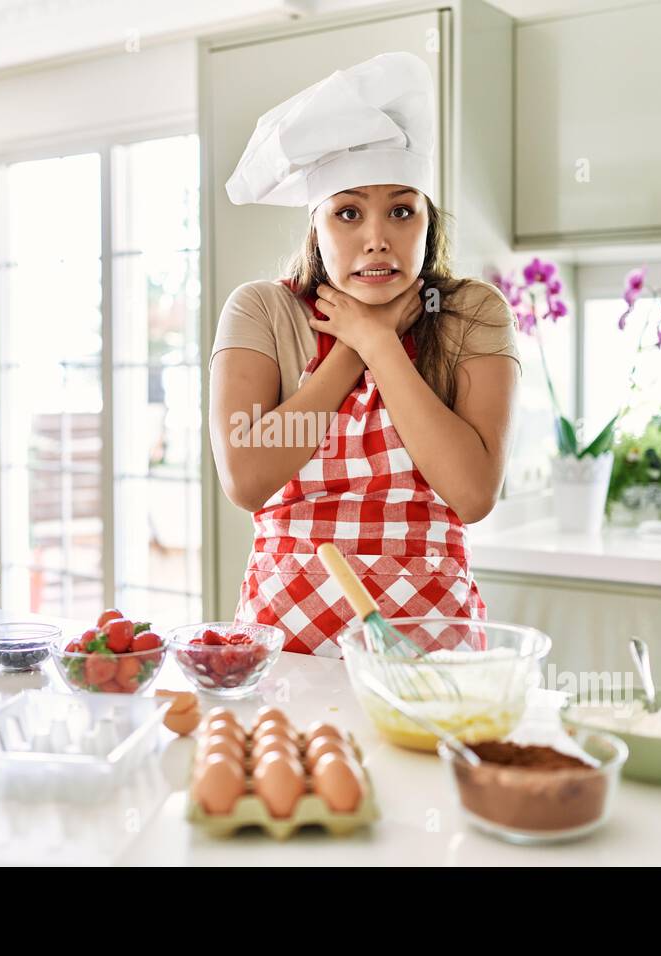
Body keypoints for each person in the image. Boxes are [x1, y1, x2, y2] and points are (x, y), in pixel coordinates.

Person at [210, 52, 521, 657]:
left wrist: (382, 343)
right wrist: (354, 348)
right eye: (348, 213)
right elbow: (248, 480)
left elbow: (472, 494)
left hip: (434, 653)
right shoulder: (261, 312)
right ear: (316, 226)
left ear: (428, 221)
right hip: (287, 648)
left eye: (401, 211)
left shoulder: (472, 314)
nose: (377, 237)